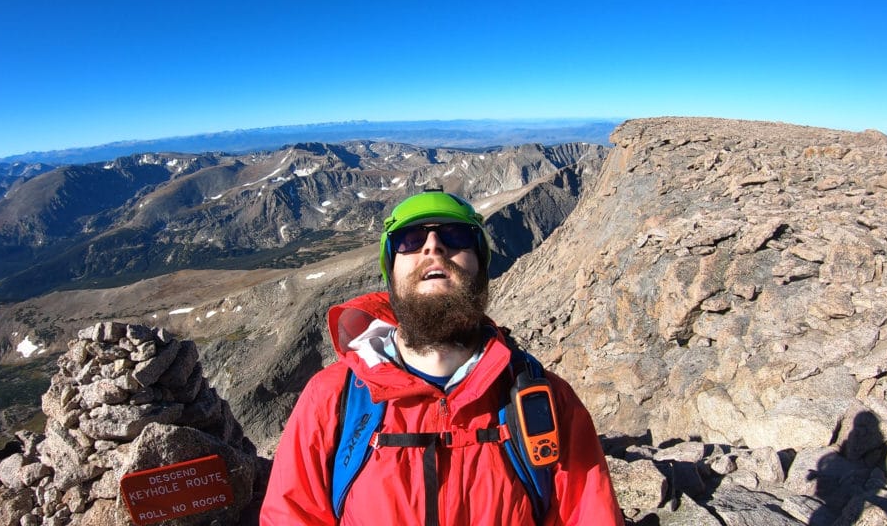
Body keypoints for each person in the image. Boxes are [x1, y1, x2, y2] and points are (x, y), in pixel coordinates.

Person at [260, 190, 624, 525]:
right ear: (391, 274)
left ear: (481, 268)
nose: (433, 247)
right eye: (410, 240)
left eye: (456, 236)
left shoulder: (547, 401)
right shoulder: (332, 399)